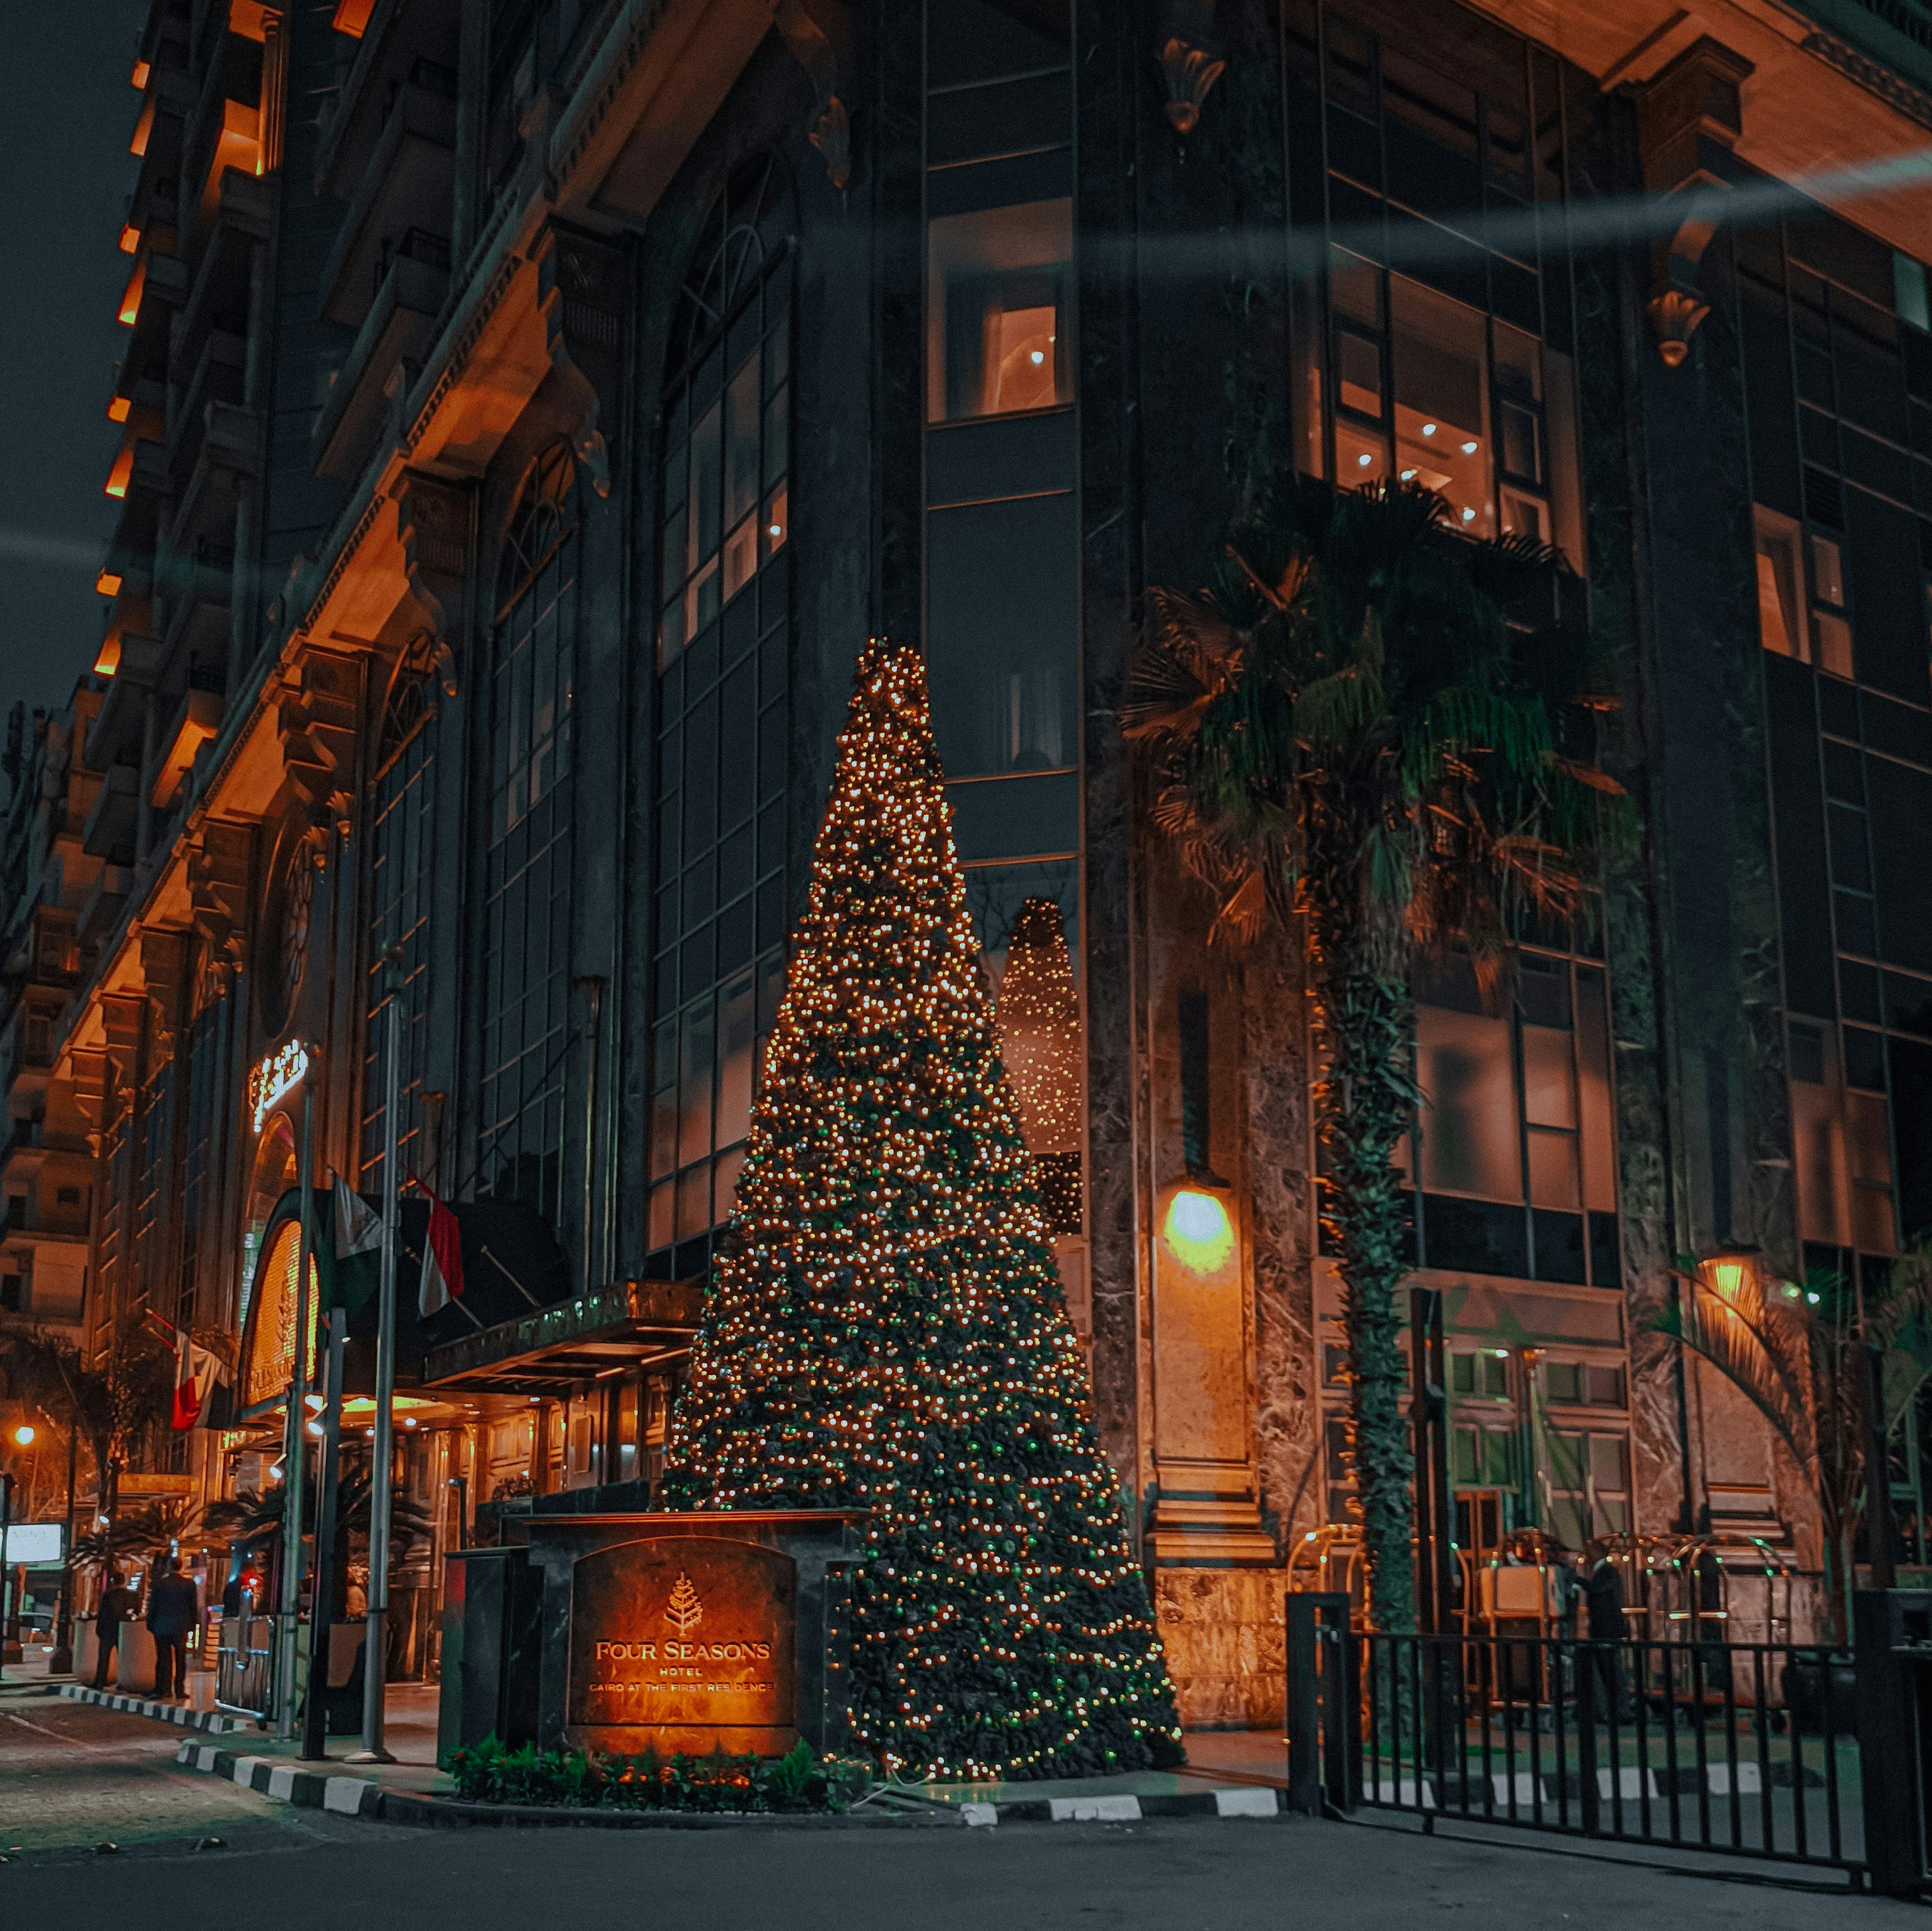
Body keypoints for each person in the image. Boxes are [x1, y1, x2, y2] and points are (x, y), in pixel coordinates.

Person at [146, 1555, 199, 1701]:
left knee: (163, 1659)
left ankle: (163, 1689)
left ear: (169, 1566)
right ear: (181, 1567)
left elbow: (153, 1607)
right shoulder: (189, 1584)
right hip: (181, 1627)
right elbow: (193, 1607)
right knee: (181, 1658)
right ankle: (180, 1690)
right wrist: (193, 1625)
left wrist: (150, 1624)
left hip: (161, 1627)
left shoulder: (159, 1584)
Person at [91, 1570, 136, 1689]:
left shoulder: (107, 1595)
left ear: (113, 1582)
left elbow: (102, 1614)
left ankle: (100, 1681)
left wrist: (99, 1629)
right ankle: (124, 1682)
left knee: (104, 1657)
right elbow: (136, 1612)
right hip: (124, 1630)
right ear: (124, 1581)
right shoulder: (131, 1595)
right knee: (124, 1658)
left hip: (108, 1629)